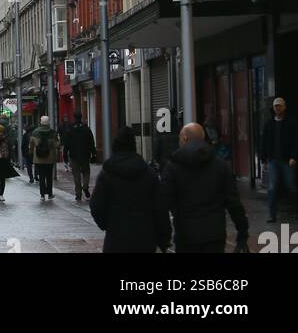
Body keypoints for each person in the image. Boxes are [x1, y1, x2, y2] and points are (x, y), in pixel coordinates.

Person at [160, 122, 249, 254]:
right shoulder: (220, 166)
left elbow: (163, 204)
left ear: (185, 138)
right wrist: (242, 231)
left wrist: (164, 237)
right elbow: (233, 202)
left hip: (186, 234)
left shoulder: (173, 167)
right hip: (214, 234)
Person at [90, 126, 169, 254]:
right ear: (133, 146)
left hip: (116, 240)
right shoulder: (149, 174)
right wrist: (164, 239)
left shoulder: (107, 174)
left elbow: (96, 206)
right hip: (145, 239)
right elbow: (161, 209)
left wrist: (108, 225)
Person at [260, 96, 298, 224]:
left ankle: (294, 212)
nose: (277, 108)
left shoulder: (291, 123)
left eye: (280, 106)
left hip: (287, 160)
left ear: (284, 107)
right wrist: (263, 159)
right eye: (276, 106)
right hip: (273, 160)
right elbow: (264, 142)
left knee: (291, 186)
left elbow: (295, 142)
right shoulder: (269, 124)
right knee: (272, 187)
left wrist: (294, 156)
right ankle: (272, 215)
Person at [65, 112, 96, 202]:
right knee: (86, 172)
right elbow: (91, 143)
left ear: (74, 117)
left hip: (74, 156)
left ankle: (78, 194)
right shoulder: (86, 129)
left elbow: (66, 144)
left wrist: (65, 155)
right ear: (81, 117)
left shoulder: (70, 130)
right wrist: (93, 153)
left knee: (76, 175)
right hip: (85, 155)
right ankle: (85, 186)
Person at [30, 115, 61, 200]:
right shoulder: (52, 132)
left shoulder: (35, 132)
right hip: (50, 158)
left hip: (38, 158)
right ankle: (50, 194)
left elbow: (31, 145)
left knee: (42, 176)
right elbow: (57, 144)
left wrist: (31, 153)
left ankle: (42, 195)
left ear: (41, 122)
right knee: (49, 176)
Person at [153, 107, 180, 174]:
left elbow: (156, 145)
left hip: (164, 162)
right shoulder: (179, 126)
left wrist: (156, 159)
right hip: (177, 160)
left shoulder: (161, 128)